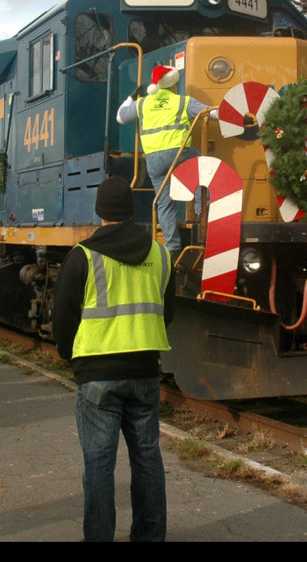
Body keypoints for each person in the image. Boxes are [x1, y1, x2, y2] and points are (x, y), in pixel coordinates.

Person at [53, 175, 175, 542]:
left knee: (99, 465)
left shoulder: (82, 256)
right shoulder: (160, 253)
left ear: (99, 211)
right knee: (148, 459)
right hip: (144, 372)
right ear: (132, 210)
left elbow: (63, 319)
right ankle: (151, 536)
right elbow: (166, 313)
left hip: (97, 376)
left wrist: (72, 358)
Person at [116, 65, 216, 258]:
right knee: (203, 169)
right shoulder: (182, 102)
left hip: (153, 159)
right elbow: (211, 113)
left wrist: (131, 96)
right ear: (174, 85)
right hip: (178, 154)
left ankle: (172, 246)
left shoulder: (143, 103)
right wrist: (238, 118)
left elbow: (120, 117)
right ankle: (200, 215)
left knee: (164, 202)